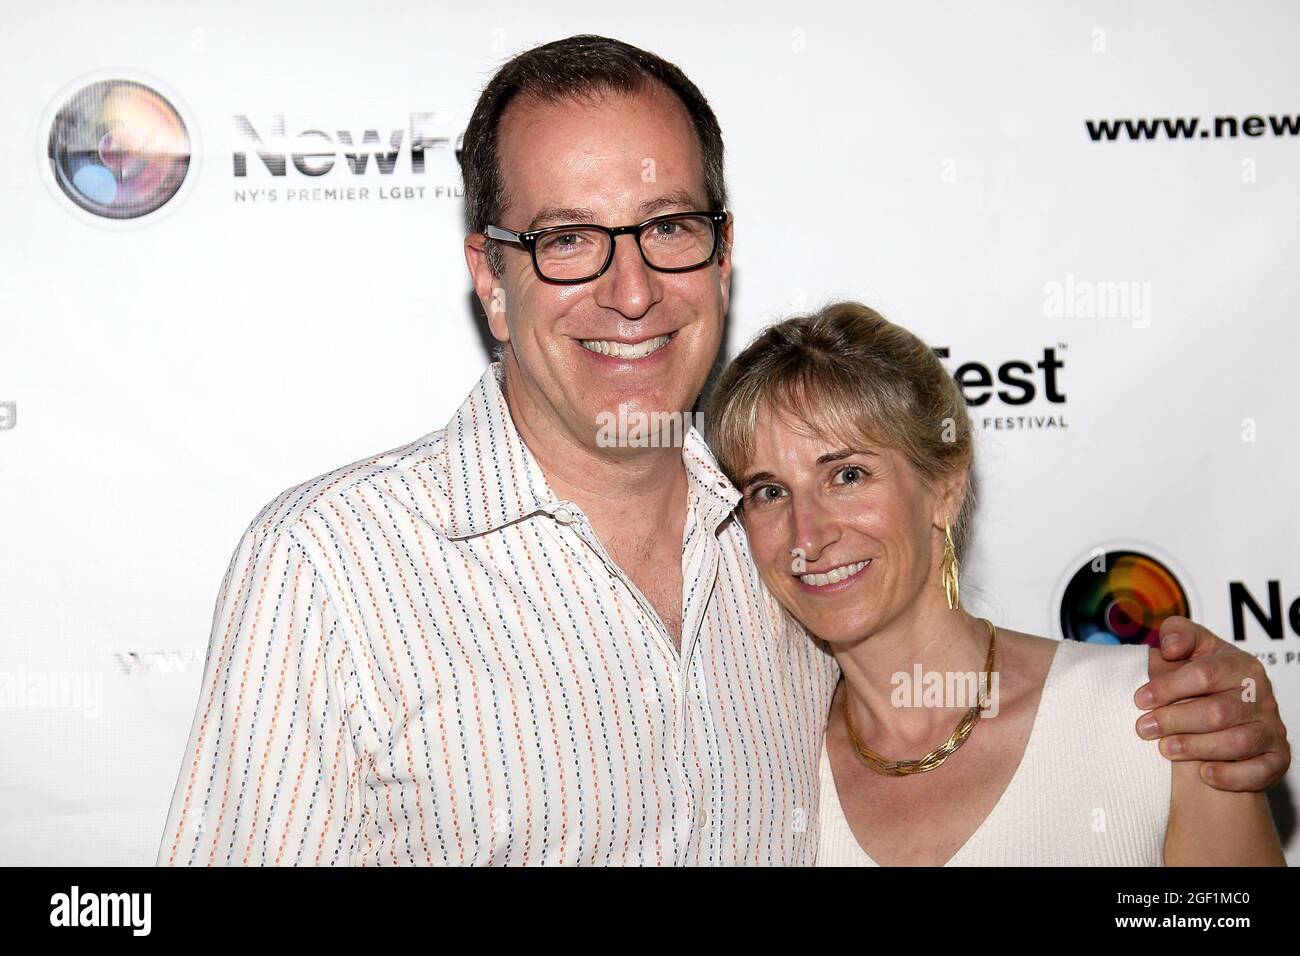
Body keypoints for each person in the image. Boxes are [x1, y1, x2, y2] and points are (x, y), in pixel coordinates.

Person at [156, 35, 1289, 866]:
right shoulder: (330, 568)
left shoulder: (775, 556)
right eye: (565, 240)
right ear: (488, 281)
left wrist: (1207, 704)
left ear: (722, 251)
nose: (632, 288)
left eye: (667, 228)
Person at [705, 301, 1287, 865]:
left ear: (944, 487)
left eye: (847, 475)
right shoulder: (760, 783)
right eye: (769, 492)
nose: (808, 536)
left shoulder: (1158, 721)